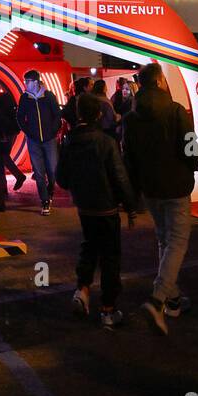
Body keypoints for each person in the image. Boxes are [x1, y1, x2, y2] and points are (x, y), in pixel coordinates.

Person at [122, 62, 198, 335]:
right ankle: (158, 299)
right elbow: (190, 144)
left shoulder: (131, 117)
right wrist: (193, 166)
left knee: (165, 240)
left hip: (150, 187)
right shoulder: (175, 110)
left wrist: (134, 189)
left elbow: (128, 156)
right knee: (177, 241)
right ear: (159, 81)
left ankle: (173, 300)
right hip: (176, 184)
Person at [57, 93, 138, 330]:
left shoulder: (69, 142)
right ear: (99, 114)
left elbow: (61, 178)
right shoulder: (106, 142)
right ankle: (108, 309)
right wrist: (130, 206)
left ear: (78, 114)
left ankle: (82, 290)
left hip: (84, 207)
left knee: (89, 247)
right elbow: (120, 177)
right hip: (107, 207)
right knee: (110, 256)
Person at [17, 70, 62, 215]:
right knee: (39, 172)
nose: (25, 84)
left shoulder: (48, 96)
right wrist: (28, 132)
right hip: (33, 141)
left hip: (50, 140)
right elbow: (20, 117)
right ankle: (45, 201)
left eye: (28, 81)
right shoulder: (25, 98)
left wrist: (53, 131)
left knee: (53, 170)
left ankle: (50, 191)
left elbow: (57, 115)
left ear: (36, 82)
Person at [0, 84, 27, 190]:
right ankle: (4, 185)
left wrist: (2, 133)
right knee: (3, 156)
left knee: (3, 156)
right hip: (12, 130)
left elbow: (1, 120)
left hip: (7, 132)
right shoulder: (7, 100)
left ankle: (18, 177)